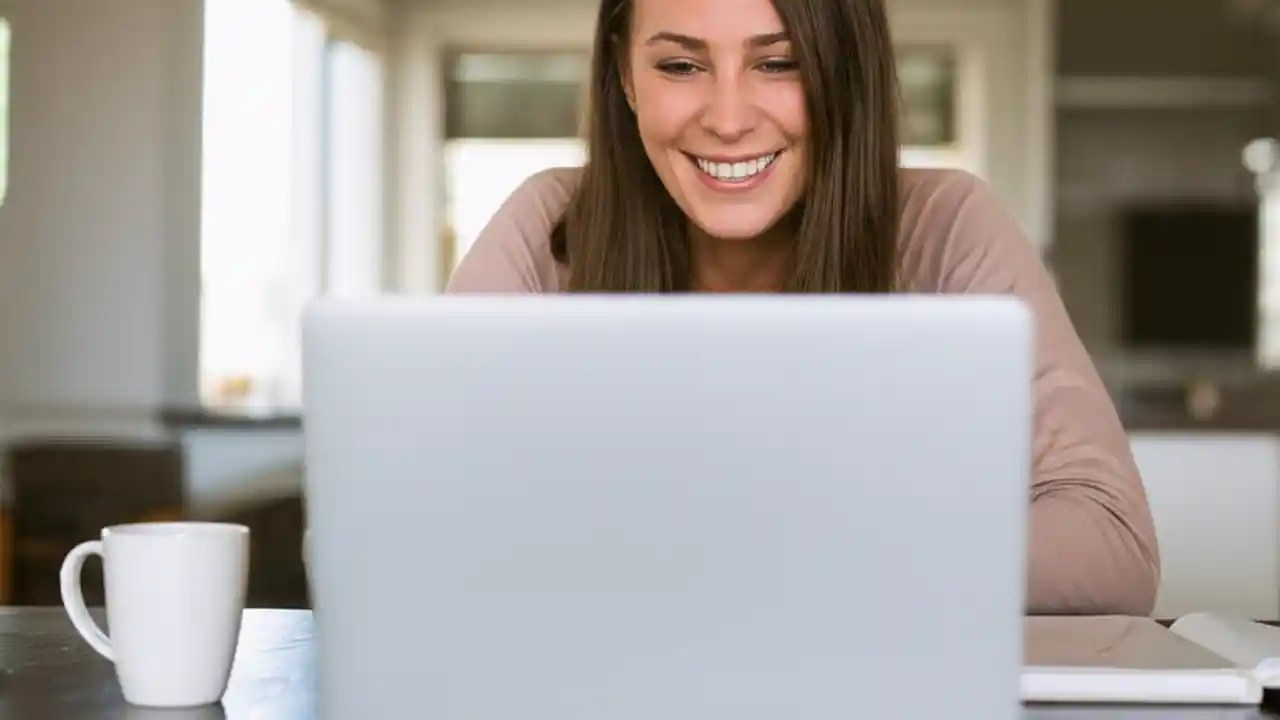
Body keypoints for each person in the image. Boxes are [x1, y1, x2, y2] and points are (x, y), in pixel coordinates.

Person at [446, 0, 1160, 616]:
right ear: (625, 77)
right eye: (681, 67)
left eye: (779, 63)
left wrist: (730, 556)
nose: (728, 120)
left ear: (843, 74)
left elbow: (1109, 545)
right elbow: (421, 516)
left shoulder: (948, 226)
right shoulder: (550, 227)